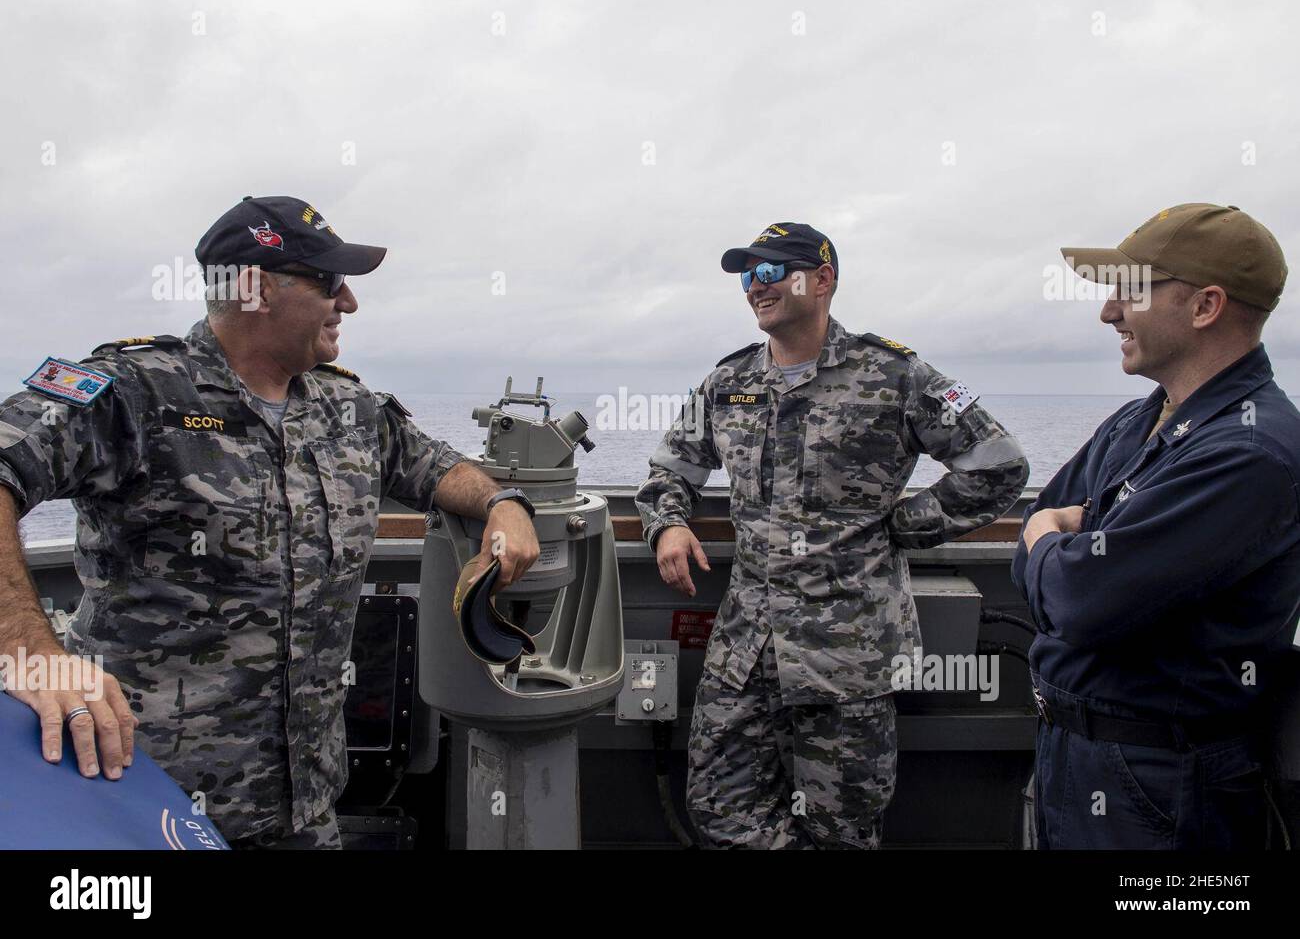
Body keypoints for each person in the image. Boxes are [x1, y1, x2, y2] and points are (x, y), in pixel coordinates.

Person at [0, 195, 540, 848]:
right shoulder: (135, 394)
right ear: (255, 288)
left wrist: (504, 505)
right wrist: (30, 653)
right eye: (328, 283)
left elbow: (438, 467)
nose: (349, 302)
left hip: (304, 808)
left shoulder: (350, 408)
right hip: (149, 806)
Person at [636, 222, 1029, 848]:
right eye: (746, 276)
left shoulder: (896, 375)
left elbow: (999, 463)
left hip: (849, 655)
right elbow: (668, 470)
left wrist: (903, 525)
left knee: (842, 828)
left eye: (769, 272)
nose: (754, 288)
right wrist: (669, 525)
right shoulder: (728, 382)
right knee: (716, 807)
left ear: (822, 280)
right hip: (746, 648)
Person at [1012, 203, 1300, 849]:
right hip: (1072, 760)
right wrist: (1055, 543)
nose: (1109, 312)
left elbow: (1082, 601)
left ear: (1205, 307)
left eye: (1131, 291)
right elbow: (1036, 542)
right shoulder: (1136, 423)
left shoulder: (1251, 454)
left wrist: (1053, 541)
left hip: (1159, 789)